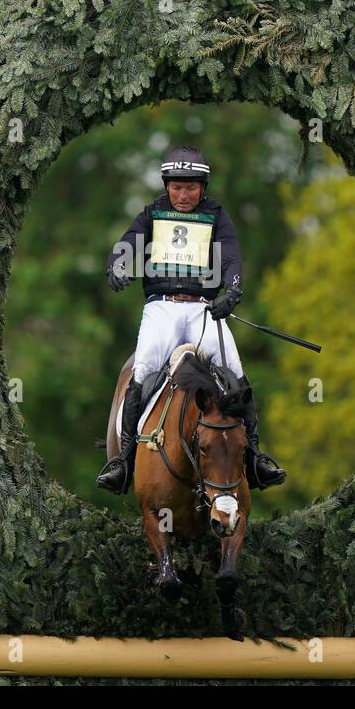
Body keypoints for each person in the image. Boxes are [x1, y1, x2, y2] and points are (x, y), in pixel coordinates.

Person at [96, 144, 286, 495]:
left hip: (203, 308)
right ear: (167, 186)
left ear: (203, 188)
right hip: (162, 308)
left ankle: (255, 458)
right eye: (177, 187)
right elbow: (129, 243)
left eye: (191, 188)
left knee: (236, 371)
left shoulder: (216, 215)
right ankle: (123, 461)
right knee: (144, 367)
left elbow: (230, 257)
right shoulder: (153, 213)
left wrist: (232, 292)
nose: (183, 196)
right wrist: (118, 265)